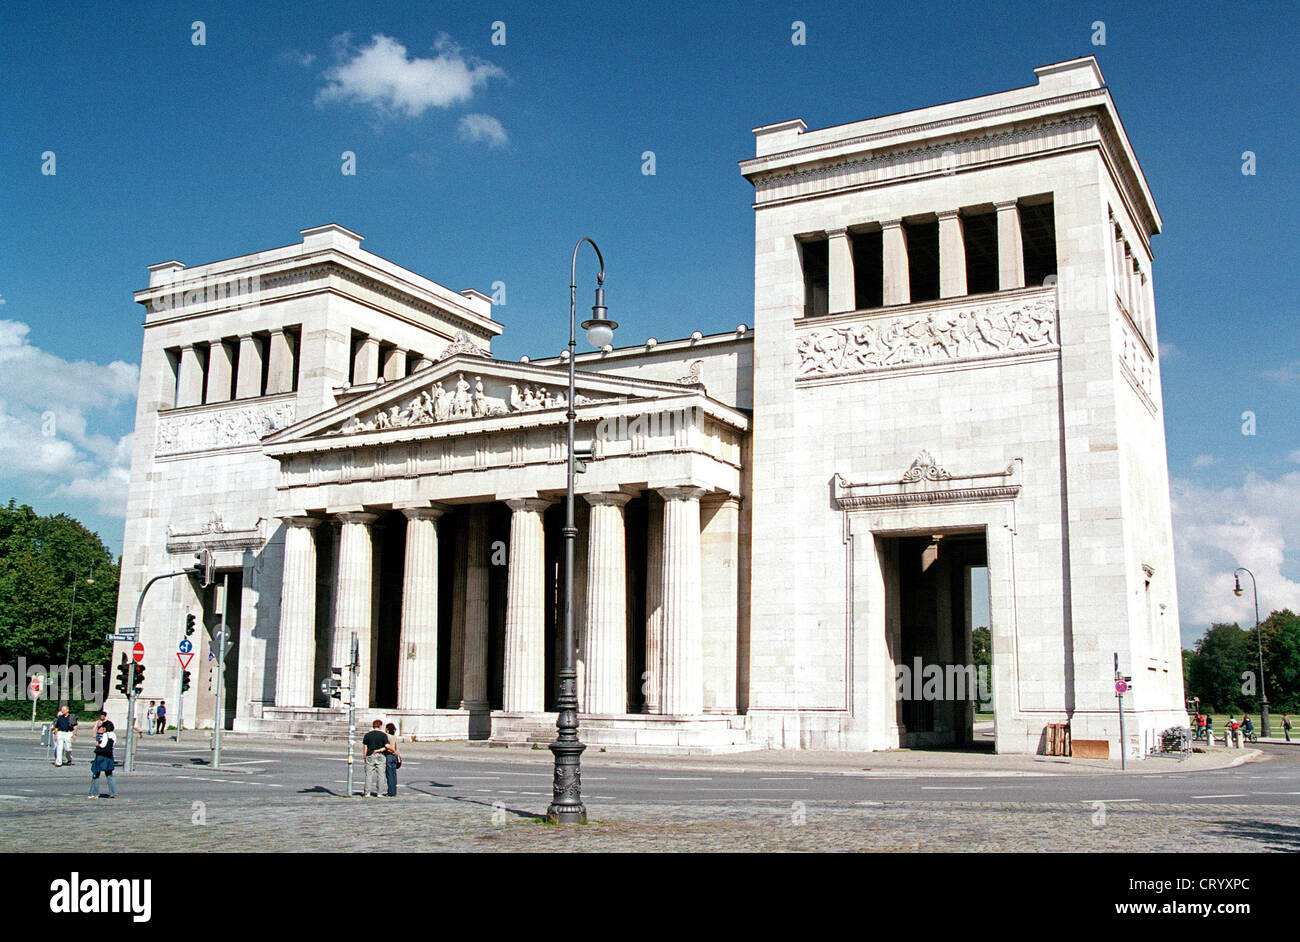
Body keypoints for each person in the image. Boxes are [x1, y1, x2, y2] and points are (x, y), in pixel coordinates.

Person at [89, 720, 117, 799]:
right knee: (109, 775)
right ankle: (113, 792)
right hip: (109, 756)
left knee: (96, 773)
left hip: (102, 756)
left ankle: (94, 793)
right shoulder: (114, 735)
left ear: (105, 728)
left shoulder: (105, 734)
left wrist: (98, 744)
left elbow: (103, 745)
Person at [361, 720, 389, 798]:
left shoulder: (367, 735)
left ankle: (367, 793)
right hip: (380, 755)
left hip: (370, 755)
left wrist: (364, 756)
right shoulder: (383, 735)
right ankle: (379, 793)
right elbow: (386, 745)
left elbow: (365, 746)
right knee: (381, 775)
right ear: (380, 726)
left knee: (369, 775)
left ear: (373, 726)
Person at [383, 722, 401, 797]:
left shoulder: (386, 736)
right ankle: (394, 791)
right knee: (394, 774)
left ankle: (390, 791)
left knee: (389, 774)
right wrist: (398, 757)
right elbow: (397, 748)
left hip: (389, 755)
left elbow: (386, 746)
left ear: (387, 729)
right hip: (394, 756)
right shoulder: (394, 736)